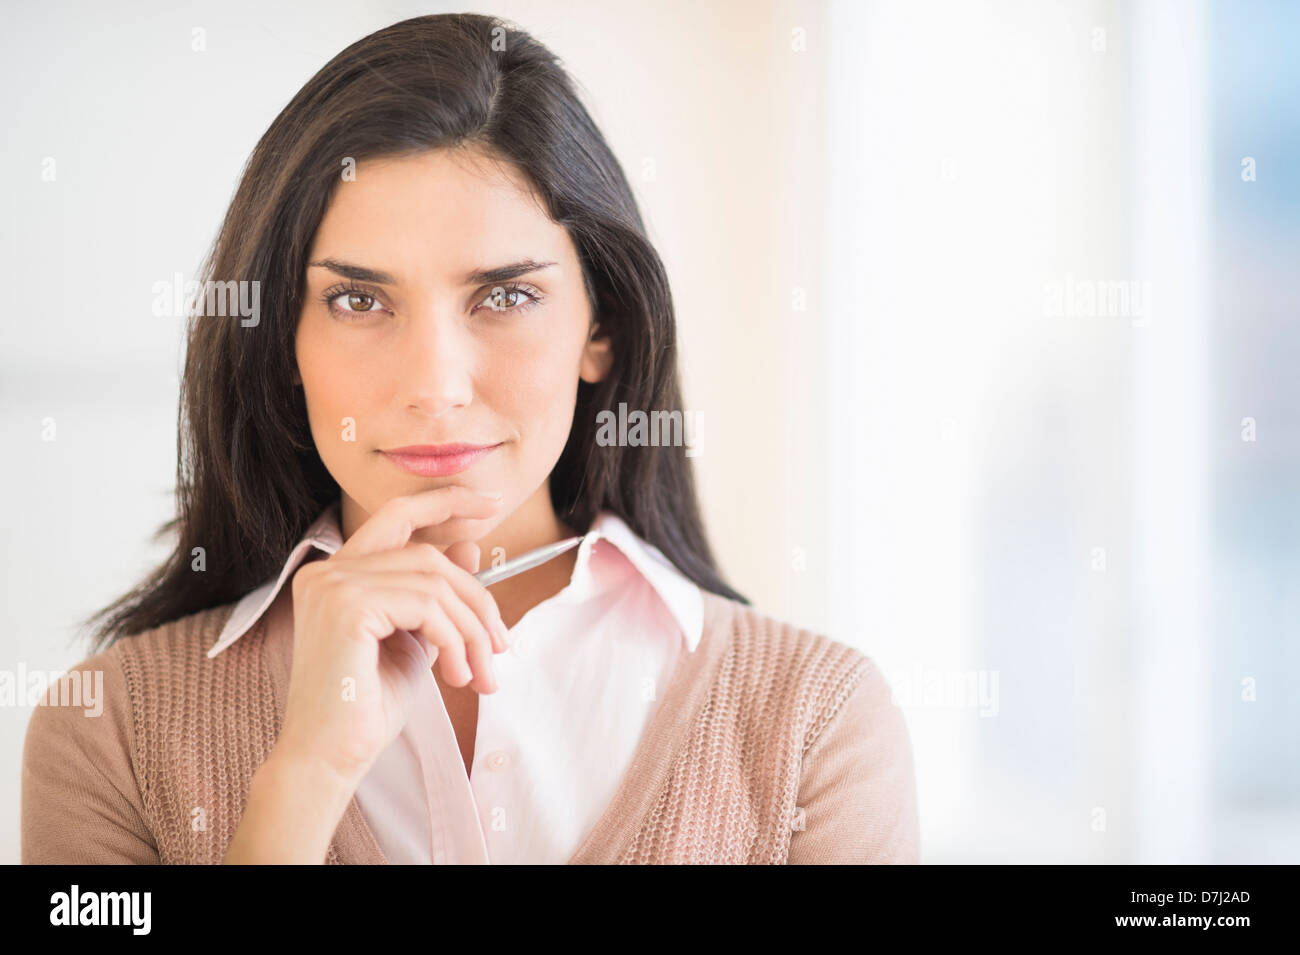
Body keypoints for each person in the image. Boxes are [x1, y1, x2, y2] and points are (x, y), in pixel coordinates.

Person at [20, 12, 918, 864]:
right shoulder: (109, 732)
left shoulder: (816, 723)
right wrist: (302, 783)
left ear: (599, 329)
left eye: (505, 296)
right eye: (359, 300)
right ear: (281, 341)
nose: (434, 387)